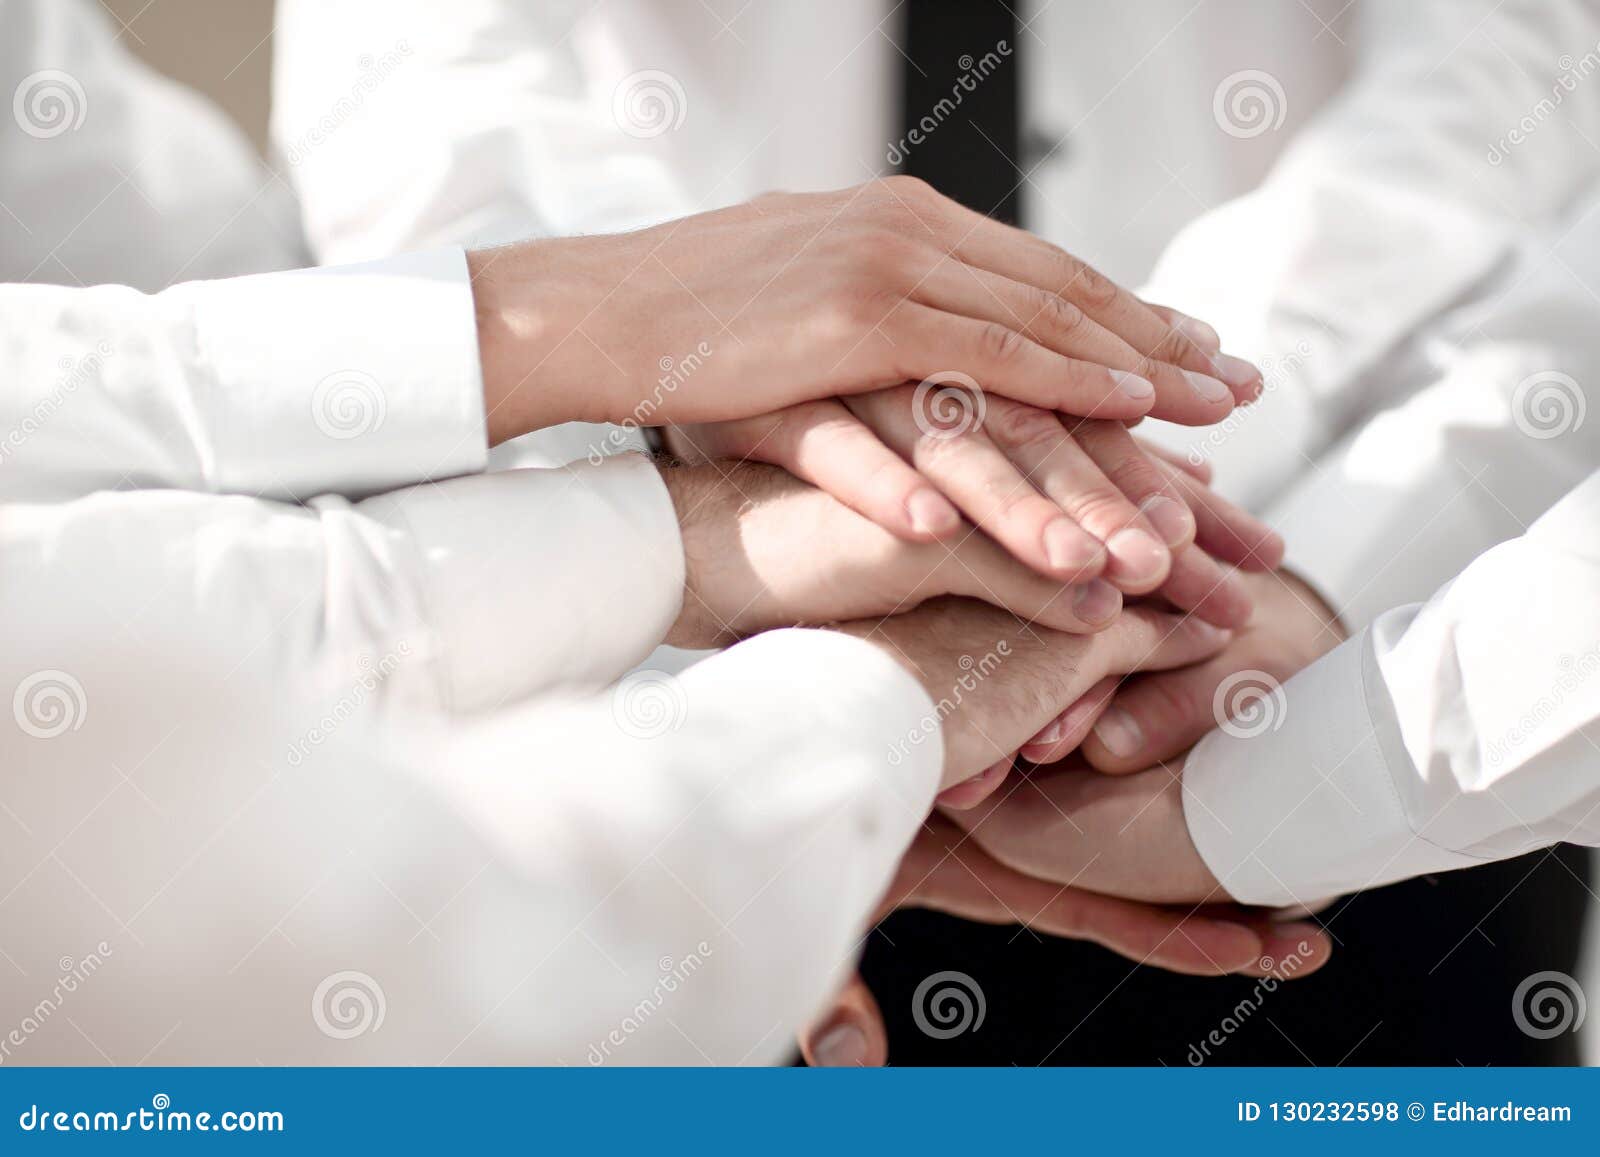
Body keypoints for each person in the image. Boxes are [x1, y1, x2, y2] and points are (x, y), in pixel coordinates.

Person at [274, 0, 1600, 1066]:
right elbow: (432, 89)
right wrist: (699, 409)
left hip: (1335, 645)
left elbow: (1516, 82)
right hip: (682, 695)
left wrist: (1158, 462)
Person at [0, 0, 1299, 1062]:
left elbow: (129, 302)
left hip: (1237, 683)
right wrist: (618, 400)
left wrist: (593, 373)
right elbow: (369, 962)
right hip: (626, 734)